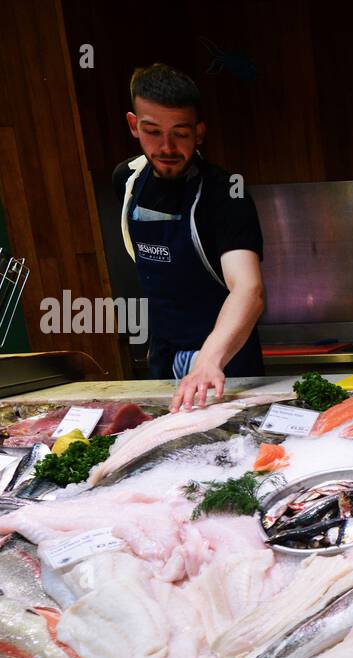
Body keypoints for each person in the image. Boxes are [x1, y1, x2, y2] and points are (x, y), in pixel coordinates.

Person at [113, 63, 265, 411]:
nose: (166, 146)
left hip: (224, 364)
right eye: (152, 132)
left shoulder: (226, 194)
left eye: (180, 134)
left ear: (199, 133)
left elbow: (249, 289)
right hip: (163, 360)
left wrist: (208, 361)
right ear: (134, 125)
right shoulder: (127, 181)